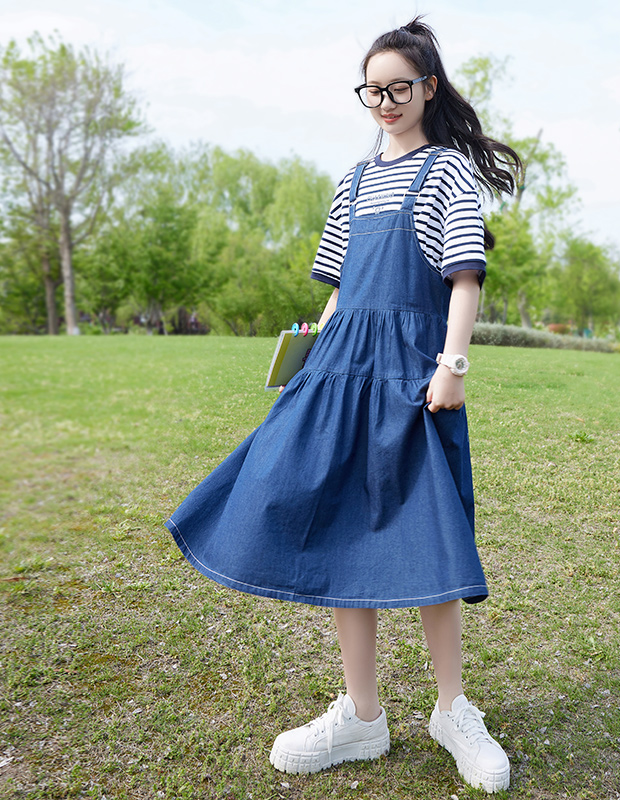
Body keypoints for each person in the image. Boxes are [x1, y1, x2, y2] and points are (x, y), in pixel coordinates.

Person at [165, 16, 522, 794]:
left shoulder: (448, 172)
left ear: (429, 88)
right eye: (373, 90)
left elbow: (464, 278)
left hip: (413, 374)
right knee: (335, 527)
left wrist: (453, 365)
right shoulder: (352, 182)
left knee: (427, 536)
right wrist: (307, 358)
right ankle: (362, 715)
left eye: (399, 87)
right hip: (340, 370)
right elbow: (337, 292)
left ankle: (453, 709)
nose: (385, 101)